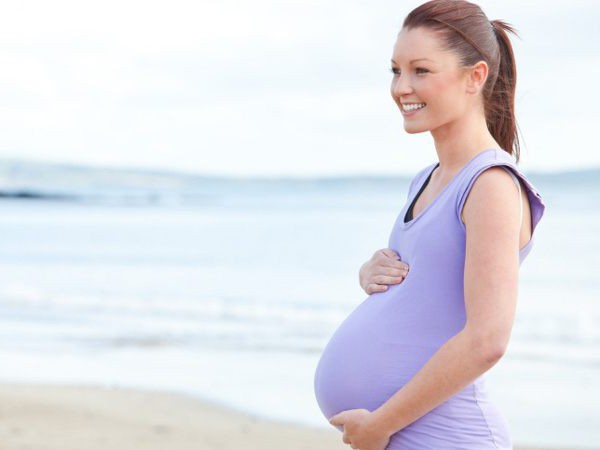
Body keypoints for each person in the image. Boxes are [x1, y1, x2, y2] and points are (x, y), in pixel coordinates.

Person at [313, 1, 546, 449]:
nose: (402, 87)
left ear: (474, 77)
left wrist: (381, 423)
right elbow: (426, 294)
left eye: (421, 70)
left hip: (448, 437)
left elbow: (487, 340)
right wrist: (373, 274)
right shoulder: (427, 180)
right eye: (396, 70)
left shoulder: (490, 185)